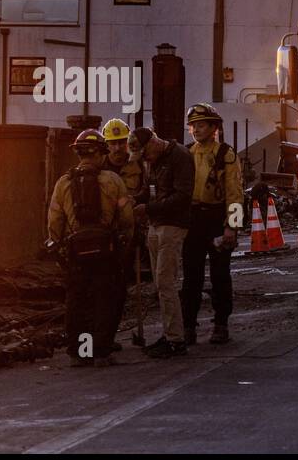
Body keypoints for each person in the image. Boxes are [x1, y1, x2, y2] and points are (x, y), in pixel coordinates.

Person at [48, 129, 134, 366]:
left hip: (76, 250)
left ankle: (79, 353)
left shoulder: (63, 183)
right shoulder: (113, 181)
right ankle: (101, 353)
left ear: (78, 153)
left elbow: (55, 220)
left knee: (77, 301)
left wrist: (60, 245)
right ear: (100, 153)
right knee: (104, 300)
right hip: (106, 250)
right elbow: (126, 217)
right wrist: (124, 242)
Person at [181, 103, 242, 345]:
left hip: (217, 219)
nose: (196, 129)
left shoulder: (225, 154)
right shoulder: (186, 153)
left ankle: (221, 324)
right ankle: (188, 326)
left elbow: (235, 193)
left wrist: (231, 227)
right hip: (193, 221)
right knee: (191, 277)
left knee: (220, 275)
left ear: (213, 127)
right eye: (193, 125)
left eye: (201, 125)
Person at [131, 126, 194, 358]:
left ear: (153, 143)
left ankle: (176, 340)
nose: (145, 160)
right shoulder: (153, 161)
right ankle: (170, 334)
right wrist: (136, 199)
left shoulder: (180, 157)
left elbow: (182, 197)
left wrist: (147, 208)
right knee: (161, 283)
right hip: (157, 224)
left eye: (145, 154)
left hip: (172, 225)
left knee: (166, 282)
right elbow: (150, 190)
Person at [101, 117, 146, 350]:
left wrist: (136, 203)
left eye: (121, 142)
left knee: (121, 287)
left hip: (128, 234)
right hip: (104, 235)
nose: (117, 148)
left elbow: (147, 194)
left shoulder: (139, 167)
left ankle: (110, 335)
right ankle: (104, 336)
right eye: (112, 143)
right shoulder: (99, 169)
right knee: (103, 287)